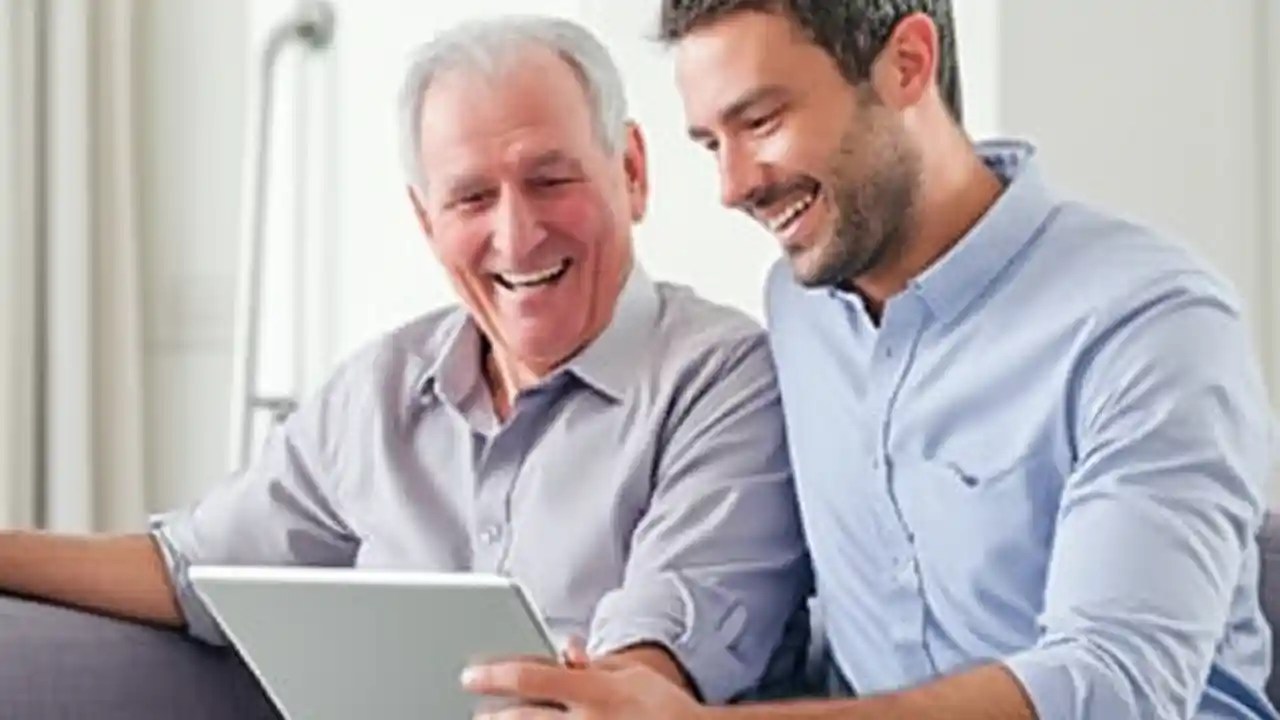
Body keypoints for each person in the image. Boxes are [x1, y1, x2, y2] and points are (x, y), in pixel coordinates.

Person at [462, 2, 1278, 718]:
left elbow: (1117, 688)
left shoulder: (1149, 322)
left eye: (762, 121)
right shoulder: (799, 308)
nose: (734, 184)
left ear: (907, 64)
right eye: (712, 142)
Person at [0, 16, 809, 706]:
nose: (517, 235)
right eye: (470, 199)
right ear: (426, 221)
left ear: (630, 172)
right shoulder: (381, 388)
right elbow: (192, 568)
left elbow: (657, 652)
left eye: (550, 179)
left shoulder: (724, 378)